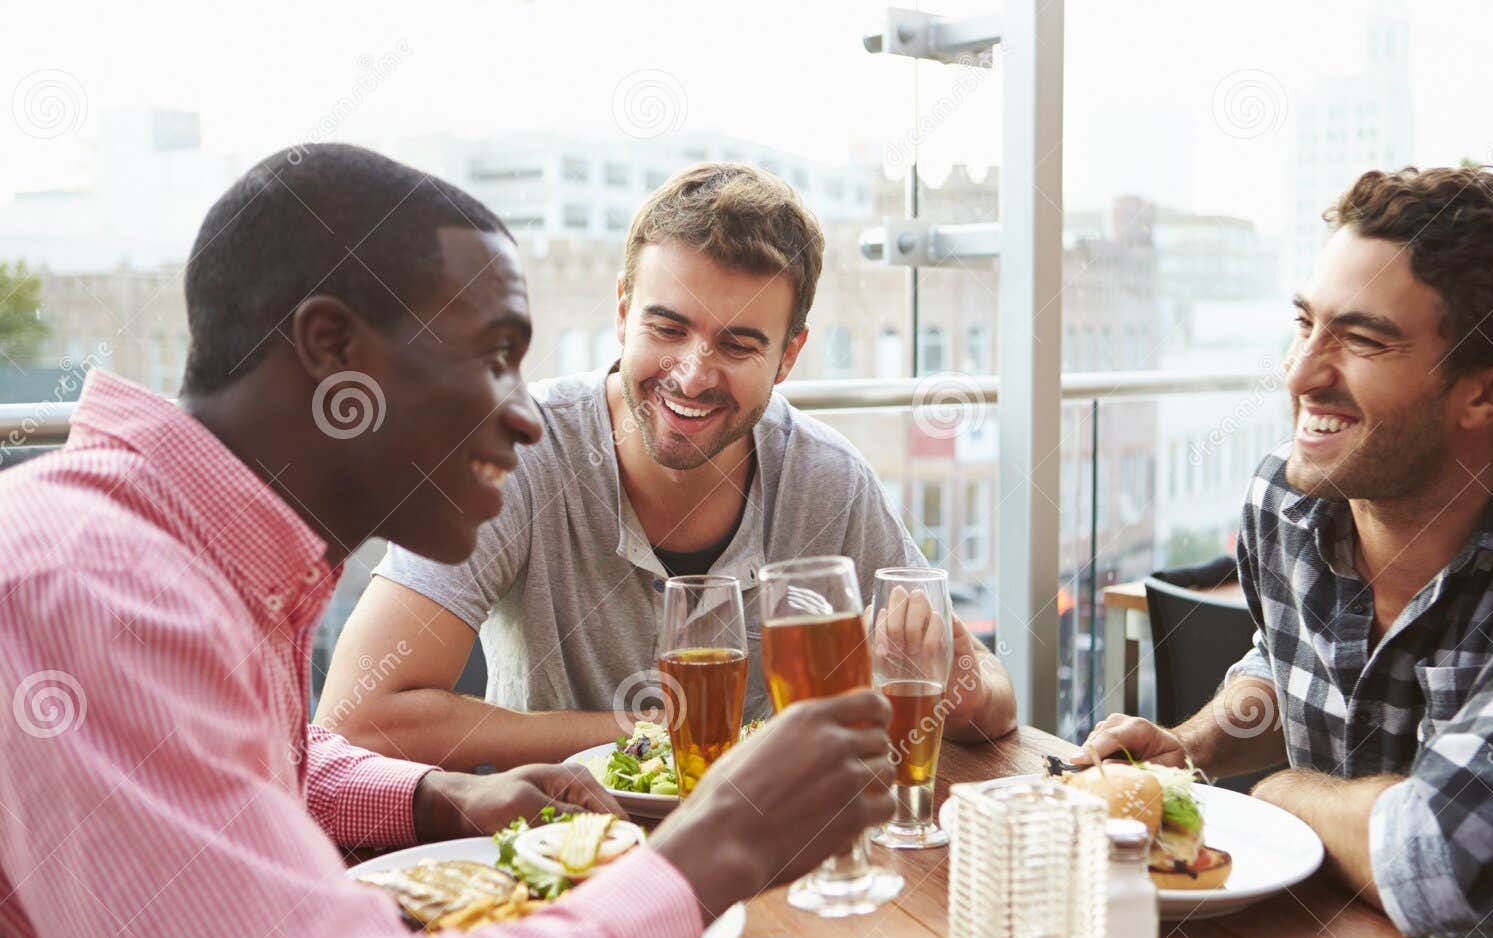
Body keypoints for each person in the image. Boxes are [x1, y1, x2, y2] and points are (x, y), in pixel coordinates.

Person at [0, 144, 894, 938]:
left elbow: (223, 782)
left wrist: (437, 797)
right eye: (493, 356)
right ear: (334, 351)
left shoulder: (171, 554)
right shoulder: (91, 591)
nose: (525, 413)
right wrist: (716, 848)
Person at [317, 162, 1016, 771]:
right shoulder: (519, 451)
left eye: (738, 344)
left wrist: (962, 685)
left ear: (790, 356)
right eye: (668, 327)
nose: (691, 375)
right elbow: (353, 718)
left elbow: (989, 698)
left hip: (773, 866)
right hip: (560, 859)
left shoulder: (828, 480)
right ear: (623, 312)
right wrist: (664, 737)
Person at [1074, 166, 1493, 937]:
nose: (1301, 372)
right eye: (1305, 323)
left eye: (1360, 340)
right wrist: (1190, 749)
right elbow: (1291, 664)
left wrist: (1283, 794)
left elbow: (1454, 866)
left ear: (1489, 393)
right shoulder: (1287, 503)